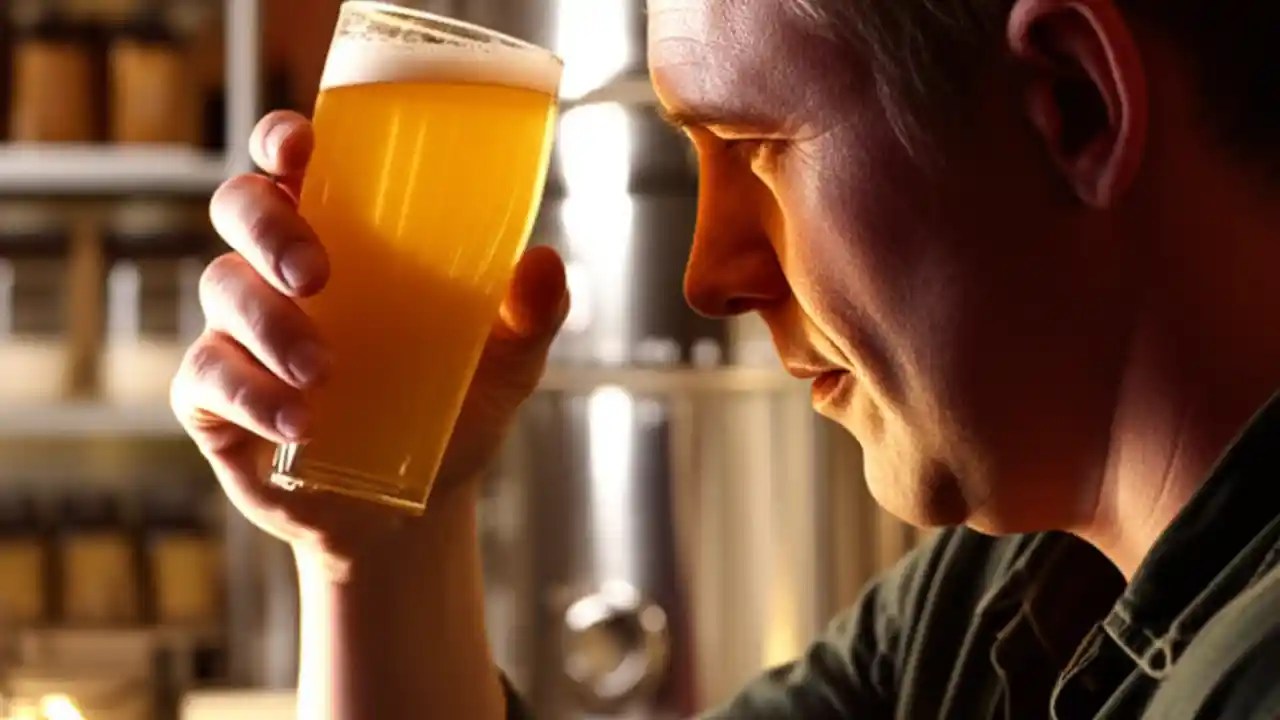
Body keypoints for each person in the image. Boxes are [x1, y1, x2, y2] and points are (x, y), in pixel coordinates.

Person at [170, 0, 1280, 717]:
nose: (707, 276)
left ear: (1073, 108)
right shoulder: (992, 612)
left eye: (755, 150)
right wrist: (381, 542)